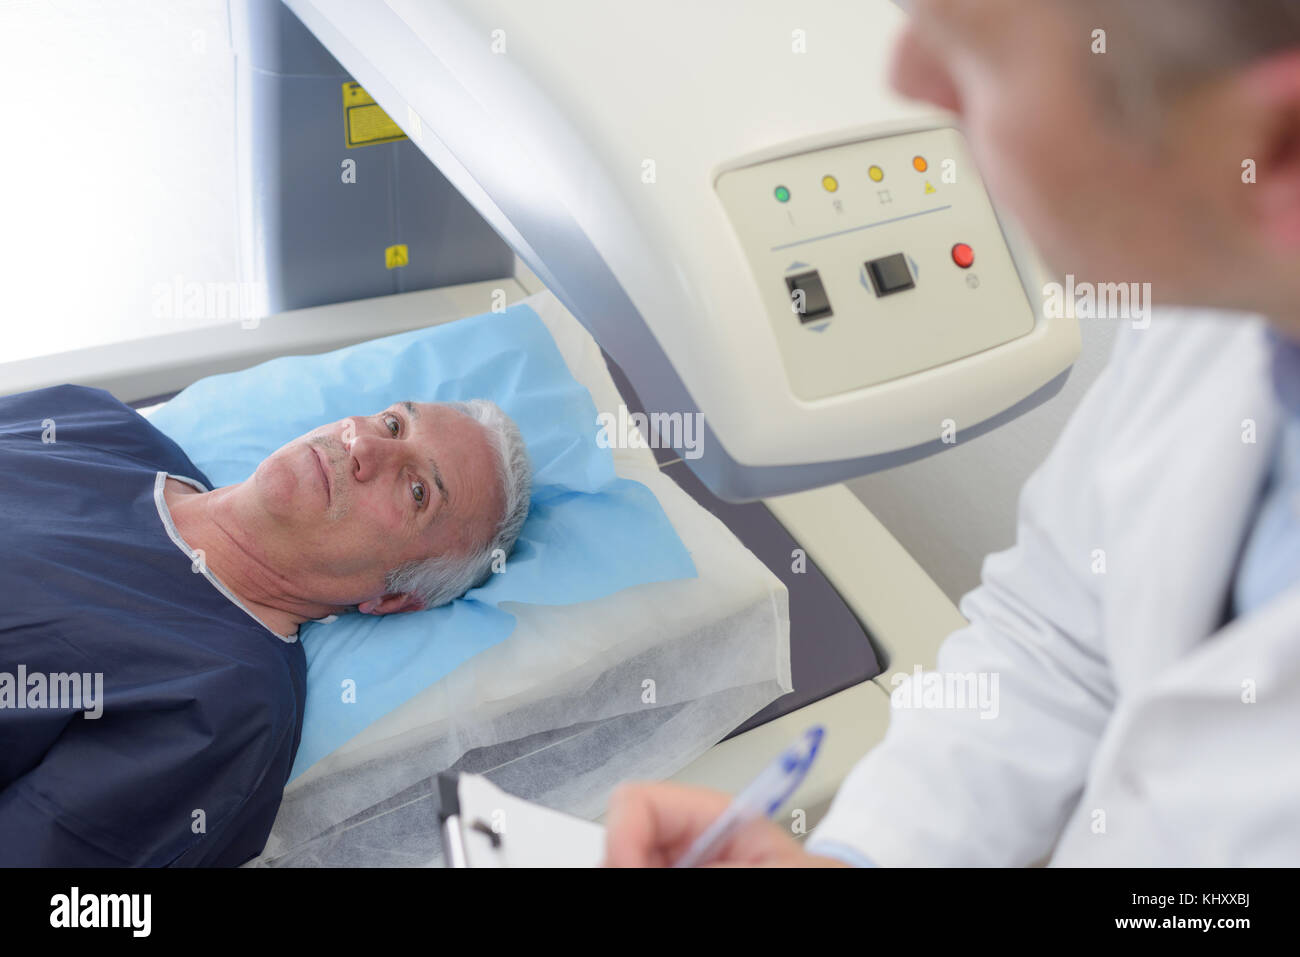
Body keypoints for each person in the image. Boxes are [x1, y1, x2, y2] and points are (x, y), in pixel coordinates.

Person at [604, 0, 1300, 867]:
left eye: (977, 55)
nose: (909, 80)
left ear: (1276, 150)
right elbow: (1058, 637)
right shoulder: (1231, 309)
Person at [0, 384, 530, 865]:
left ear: (394, 598)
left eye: (418, 491)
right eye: (393, 424)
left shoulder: (225, 709)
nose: (366, 447)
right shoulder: (93, 422)